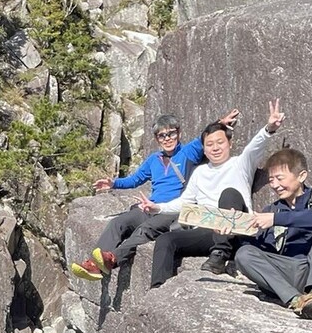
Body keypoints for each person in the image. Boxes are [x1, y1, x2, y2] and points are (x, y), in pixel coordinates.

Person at [70, 108, 238, 281]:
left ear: (179, 133)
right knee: (118, 223)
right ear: (157, 139)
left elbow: (206, 137)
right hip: (150, 207)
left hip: (173, 211)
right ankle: (95, 265)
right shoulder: (153, 159)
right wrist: (114, 183)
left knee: (145, 229)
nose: (167, 139)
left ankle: (113, 259)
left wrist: (220, 123)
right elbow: (135, 179)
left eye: (171, 134)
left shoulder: (188, 152)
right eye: (162, 136)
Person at [145, 99, 285, 287]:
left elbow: (254, 148)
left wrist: (269, 128)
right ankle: (157, 290)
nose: (215, 147)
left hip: (237, 230)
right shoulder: (200, 172)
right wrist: (157, 208)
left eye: (220, 142)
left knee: (229, 194)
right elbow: (184, 202)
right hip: (208, 231)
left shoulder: (240, 164)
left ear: (230, 143)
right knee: (165, 240)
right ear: (204, 149)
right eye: (209, 144)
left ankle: (220, 254)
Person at [232, 147, 312, 319]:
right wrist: (233, 233)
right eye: (271, 180)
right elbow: (263, 250)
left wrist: (277, 219)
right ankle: (296, 300)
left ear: (301, 176)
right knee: (244, 254)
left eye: (280, 178)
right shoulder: (272, 210)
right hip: (293, 273)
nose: (274, 185)